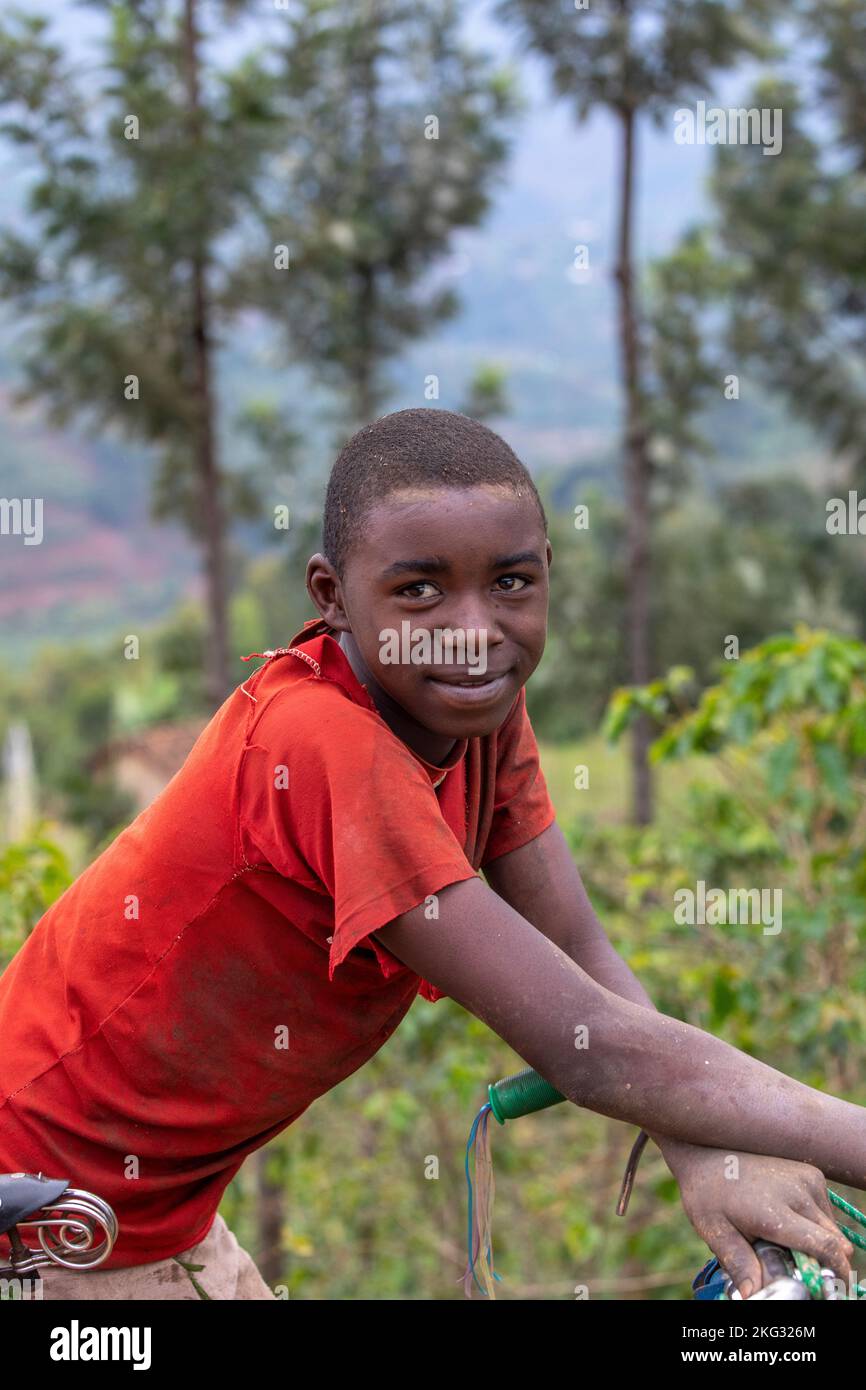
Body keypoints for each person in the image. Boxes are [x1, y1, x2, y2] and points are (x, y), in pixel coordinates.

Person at [0, 408, 860, 1300]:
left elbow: (582, 956)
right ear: (331, 595)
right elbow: (590, 1046)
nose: (473, 630)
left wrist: (711, 1153)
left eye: (511, 583)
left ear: (548, 578)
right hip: (45, 1217)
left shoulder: (472, 708)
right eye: (419, 592)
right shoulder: (323, 743)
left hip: (160, 1212)